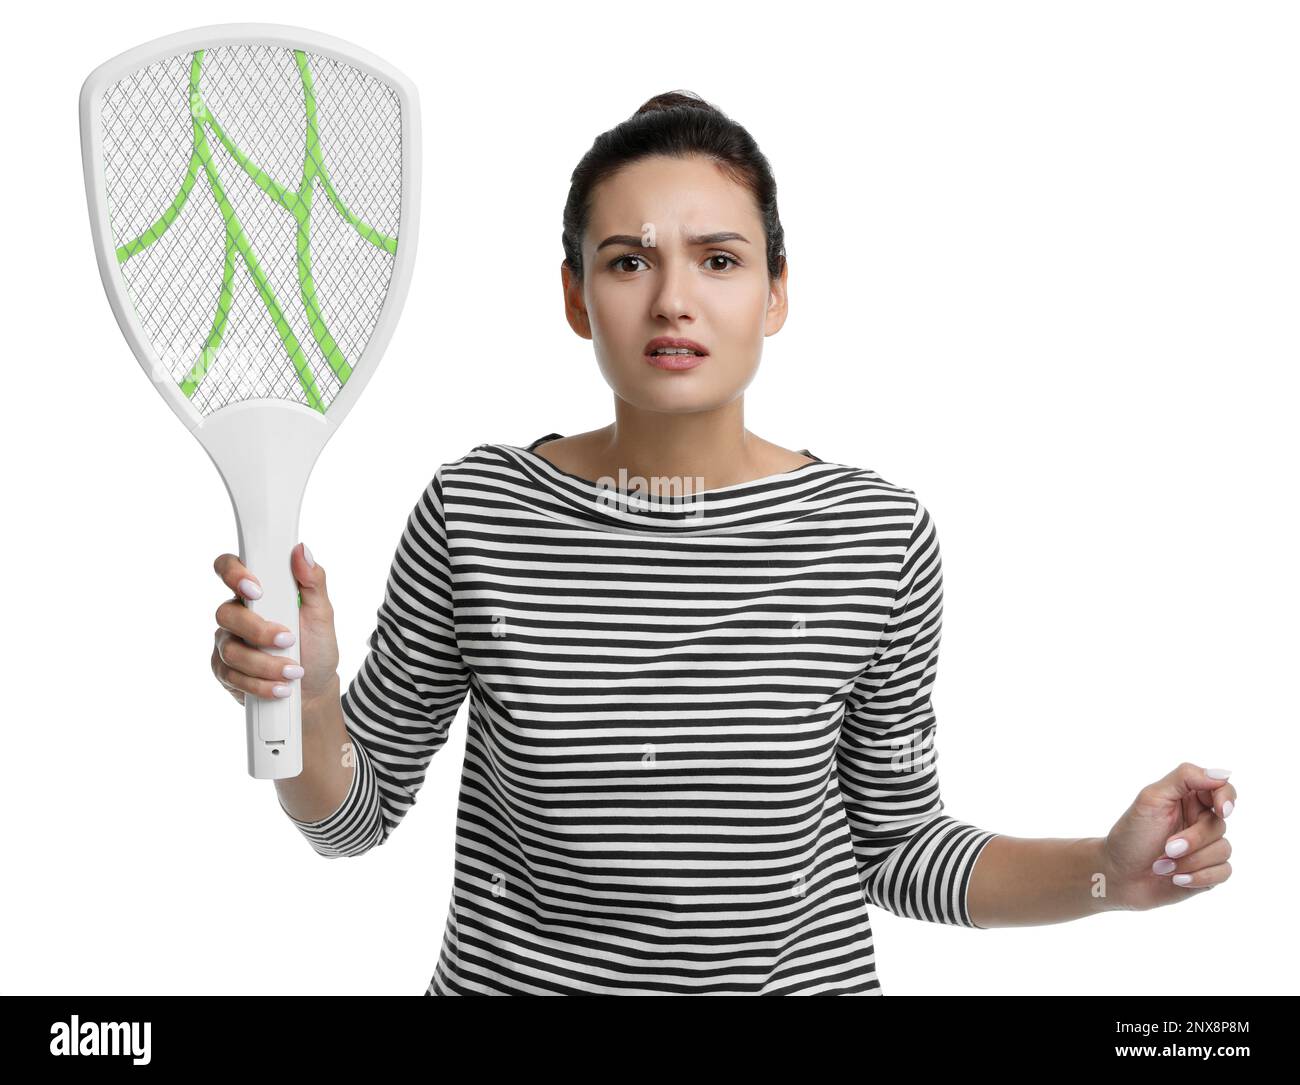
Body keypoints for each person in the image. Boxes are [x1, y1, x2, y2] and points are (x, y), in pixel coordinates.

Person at [210, 91, 1235, 995]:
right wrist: (305, 701)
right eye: (626, 260)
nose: (672, 298)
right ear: (575, 296)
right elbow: (353, 815)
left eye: (718, 258)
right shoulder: (475, 510)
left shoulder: (874, 535)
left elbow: (898, 845)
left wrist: (1110, 869)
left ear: (776, 292)